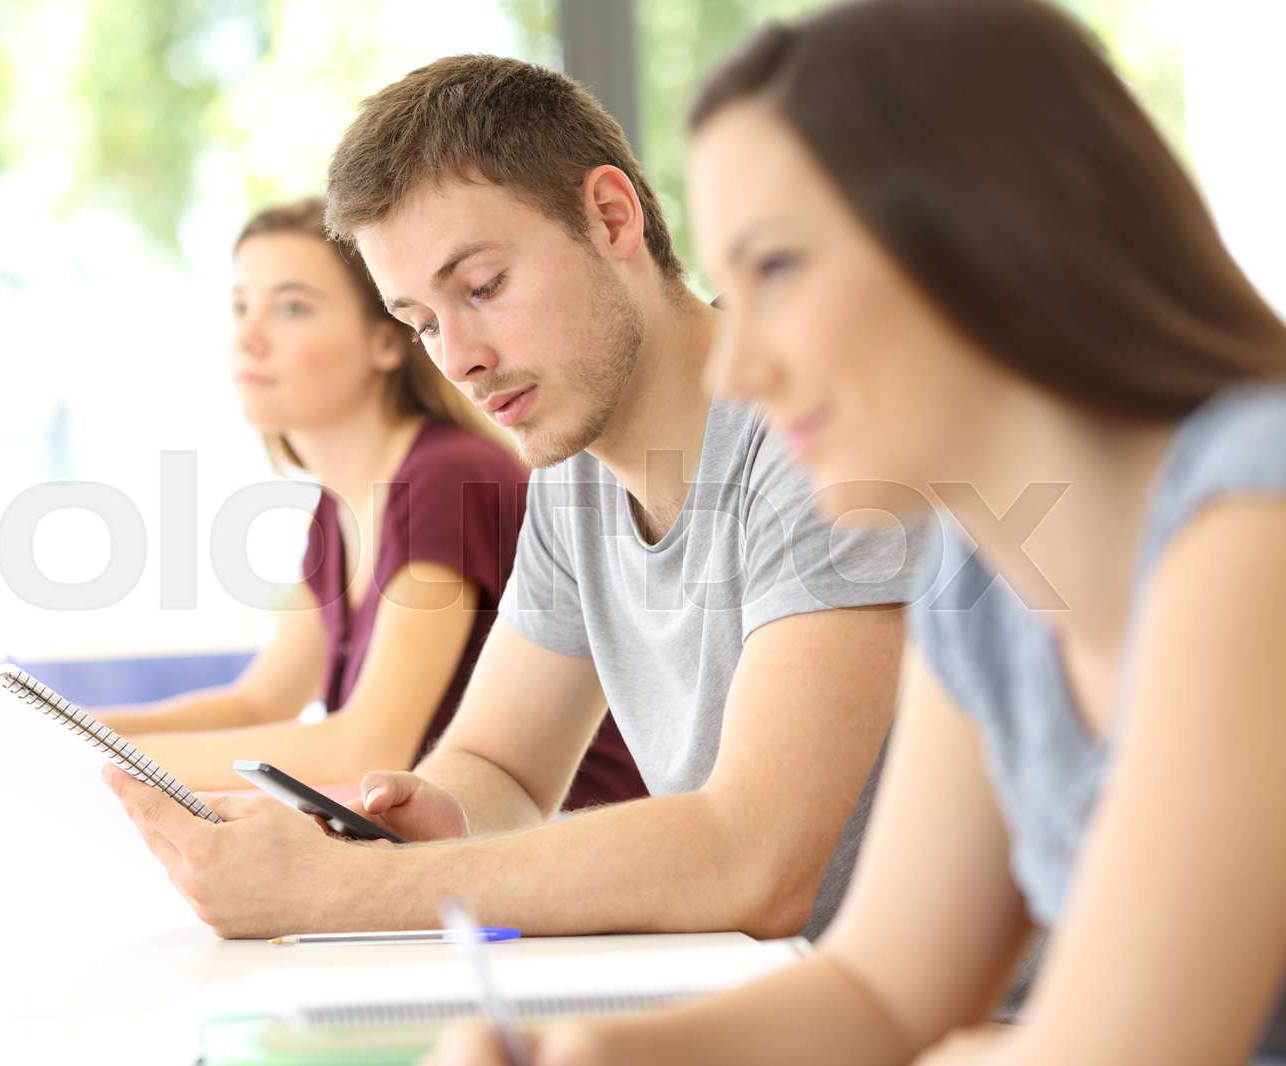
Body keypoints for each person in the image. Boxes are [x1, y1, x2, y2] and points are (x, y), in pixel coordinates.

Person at [425, 1, 1286, 1063]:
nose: (736, 368)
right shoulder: (980, 574)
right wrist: (603, 1052)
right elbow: (882, 990)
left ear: (985, 226)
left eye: (778, 268)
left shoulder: (1254, 517)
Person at [104, 55, 916, 942]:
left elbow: (756, 863)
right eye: (420, 323)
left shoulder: (815, 428)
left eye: (483, 288)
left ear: (612, 217)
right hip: (777, 991)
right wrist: (419, 821)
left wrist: (337, 892)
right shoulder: (574, 479)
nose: (457, 359)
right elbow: (503, 770)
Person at [94, 198, 644, 805]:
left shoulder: (446, 477)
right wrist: (72, 731)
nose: (248, 339)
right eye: (241, 307)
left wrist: (102, 765)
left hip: (567, 849)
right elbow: (259, 701)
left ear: (387, 341)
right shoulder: (334, 512)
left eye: (292, 308)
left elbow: (368, 747)